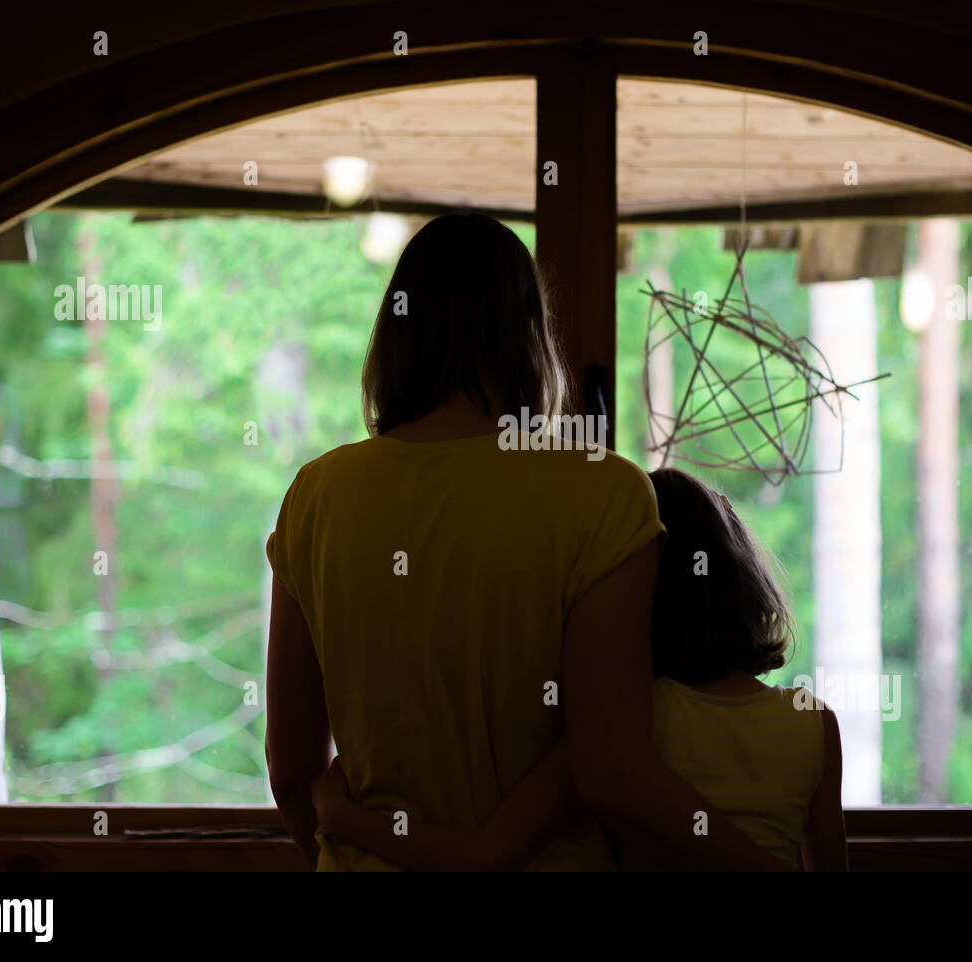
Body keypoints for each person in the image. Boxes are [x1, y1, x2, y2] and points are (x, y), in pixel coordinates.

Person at [265, 212, 779, 870]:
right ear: (528, 332)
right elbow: (611, 771)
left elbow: (292, 771)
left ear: (395, 334)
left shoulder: (317, 496)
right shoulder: (602, 495)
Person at [310, 466, 847, 871]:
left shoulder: (621, 727)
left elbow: (483, 854)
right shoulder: (813, 724)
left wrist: (341, 818)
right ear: (739, 580)